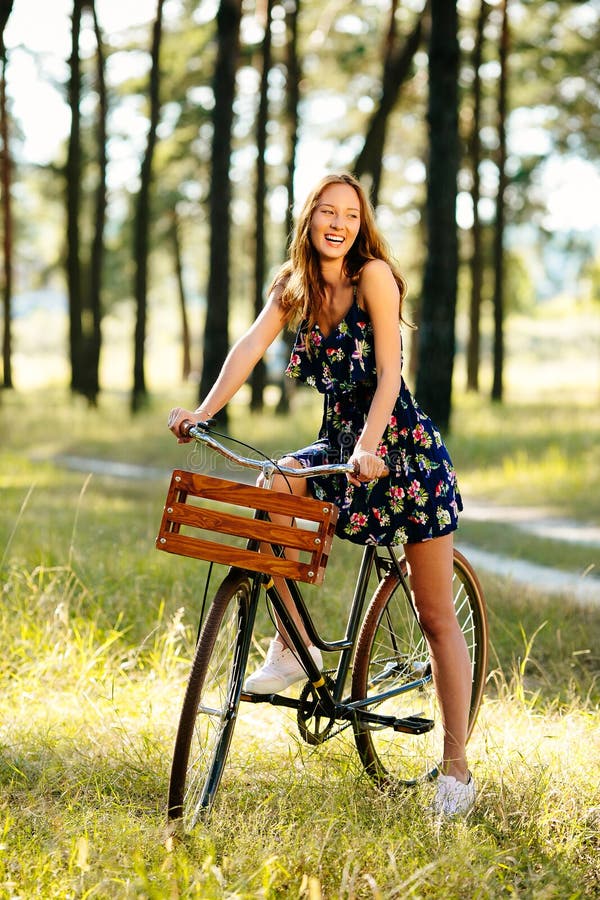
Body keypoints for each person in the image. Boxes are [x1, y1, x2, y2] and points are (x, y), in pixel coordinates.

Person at [168, 173, 475, 817]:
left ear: (360, 227)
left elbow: (392, 372)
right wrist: (203, 409)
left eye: (350, 216)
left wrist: (371, 446)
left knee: (435, 615)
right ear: (309, 220)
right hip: (340, 444)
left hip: (401, 451)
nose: (338, 224)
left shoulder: (374, 279)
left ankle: (456, 770)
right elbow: (251, 346)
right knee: (272, 485)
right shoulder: (295, 286)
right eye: (327, 213)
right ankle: (293, 645)